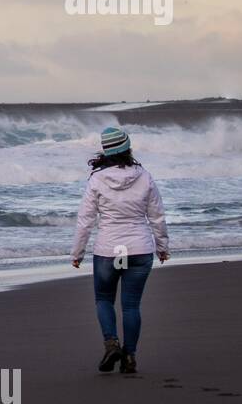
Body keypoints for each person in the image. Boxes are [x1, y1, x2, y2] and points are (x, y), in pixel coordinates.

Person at [70, 126, 170, 374]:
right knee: (131, 306)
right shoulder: (145, 176)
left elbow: (85, 220)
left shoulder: (97, 179)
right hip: (139, 249)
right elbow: (157, 216)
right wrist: (163, 247)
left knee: (104, 299)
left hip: (108, 250)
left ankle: (111, 342)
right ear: (128, 148)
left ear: (106, 151)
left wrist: (77, 253)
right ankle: (130, 357)